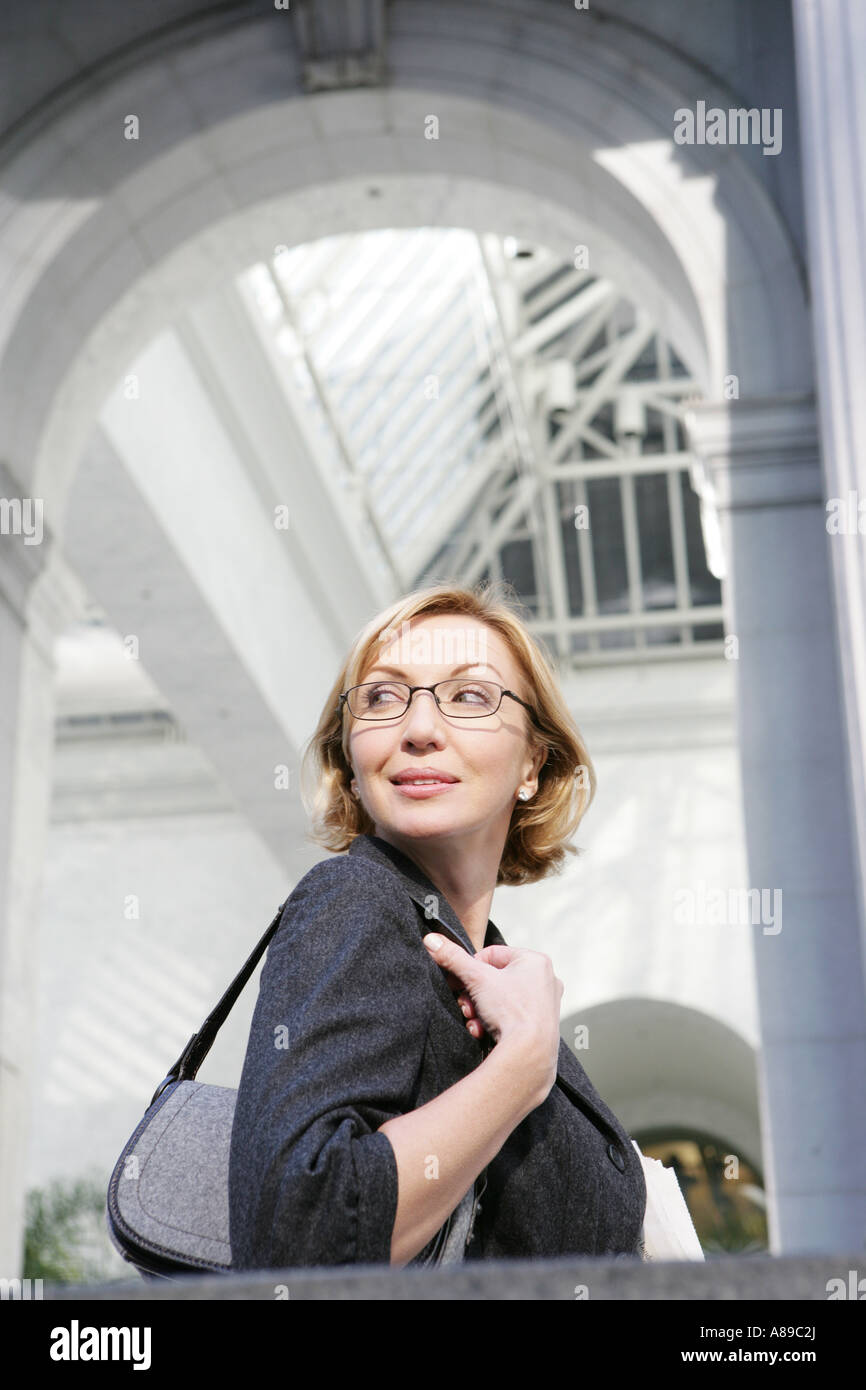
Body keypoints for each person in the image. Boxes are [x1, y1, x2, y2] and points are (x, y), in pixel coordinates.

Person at [228, 581, 646, 1269]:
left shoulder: (496, 977)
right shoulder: (354, 900)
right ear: (353, 767)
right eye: (383, 698)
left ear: (533, 764)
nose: (419, 729)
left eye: (470, 697)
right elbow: (295, 1233)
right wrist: (520, 1069)